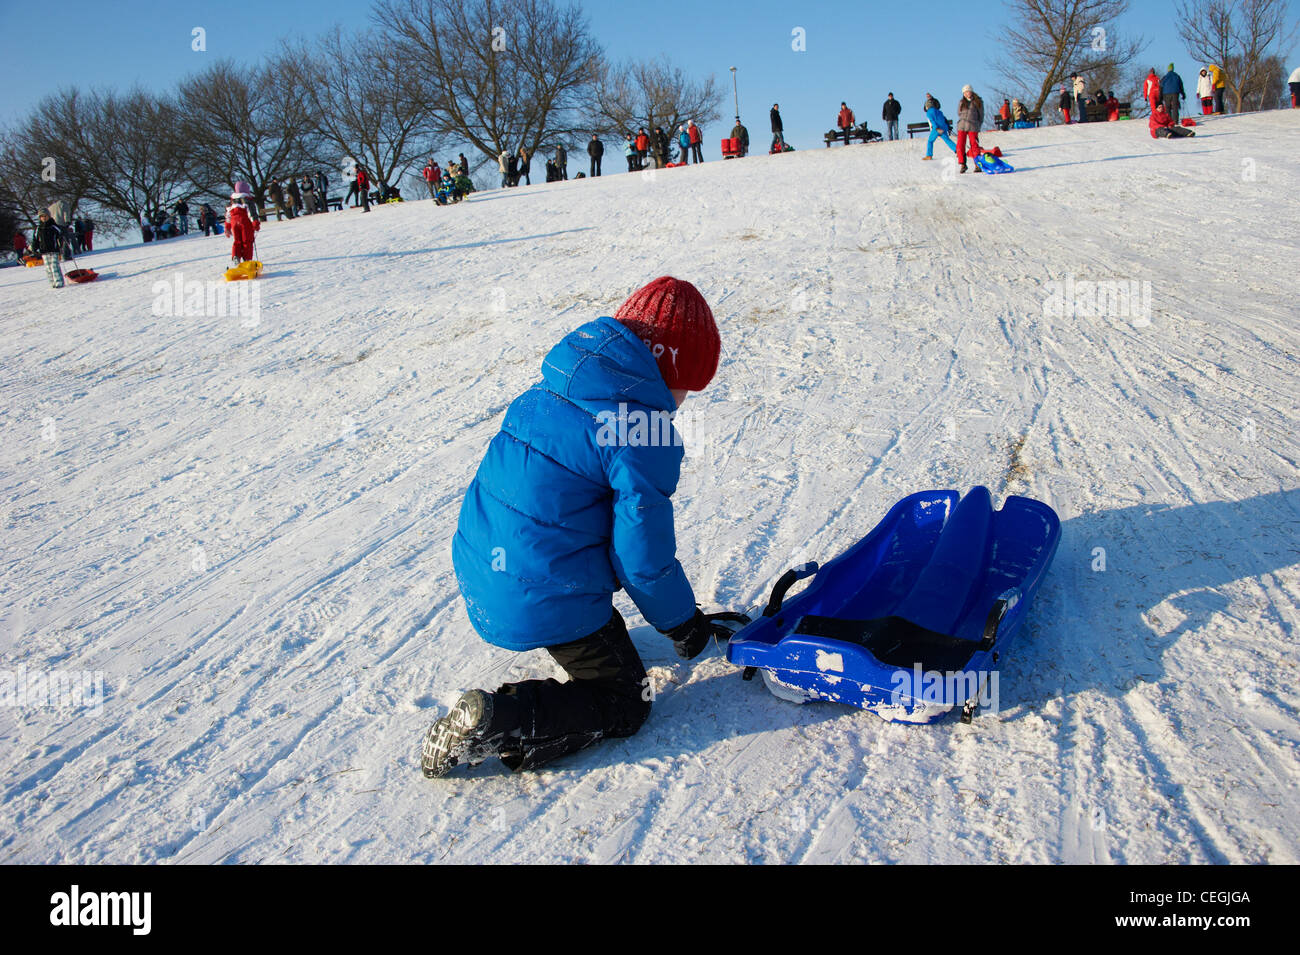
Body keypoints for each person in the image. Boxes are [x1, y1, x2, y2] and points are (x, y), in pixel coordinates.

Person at [421, 276, 732, 778]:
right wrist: (683, 624)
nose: (682, 404)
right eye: (686, 388)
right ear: (666, 371)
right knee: (627, 703)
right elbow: (641, 558)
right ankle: (500, 719)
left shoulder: (548, 390)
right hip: (541, 594)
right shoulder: (641, 433)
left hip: (484, 572)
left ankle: (562, 625)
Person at [225, 186, 260, 262]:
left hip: (234, 223)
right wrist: (255, 224)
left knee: (237, 241)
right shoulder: (247, 200)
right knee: (247, 241)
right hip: (245, 222)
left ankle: (236, 255)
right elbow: (252, 213)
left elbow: (228, 216)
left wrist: (227, 228)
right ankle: (247, 259)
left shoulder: (231, 202)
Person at [955, 85, 984, 173]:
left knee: (974, 145)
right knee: (960, 145)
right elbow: (959, 113)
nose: (967, 93)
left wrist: (978, 125)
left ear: (971, 92)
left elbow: (981, 115)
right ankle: (963, 164)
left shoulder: (977, 101)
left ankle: (977, 164)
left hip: (973, 126)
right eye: (965, 92)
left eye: (968, 91)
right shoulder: (961, 102)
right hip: (962, 126)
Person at [921, 93, 956, 160]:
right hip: (943, 127)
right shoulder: (939, 112)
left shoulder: (929, 112)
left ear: (927, 106)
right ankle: (957, 150)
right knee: (947, 140)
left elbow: (932, 120)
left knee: (930, 141)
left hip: (937, 128)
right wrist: (948, 127)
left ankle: (929, 155)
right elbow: (944, 119)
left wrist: (936, 127)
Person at [34, 210, 64, 288]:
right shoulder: (38, 228)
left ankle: (59, 282)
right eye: (41, 216)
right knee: (48, 268)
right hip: (44, 251)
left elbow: (60, 236)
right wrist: (34, 248)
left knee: (54, 266)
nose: (43, 218)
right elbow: (35, 240)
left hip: (53, 250)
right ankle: (52, 283)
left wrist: (60, 246)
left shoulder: (53, 226)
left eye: (45, 216)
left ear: (49, 216)